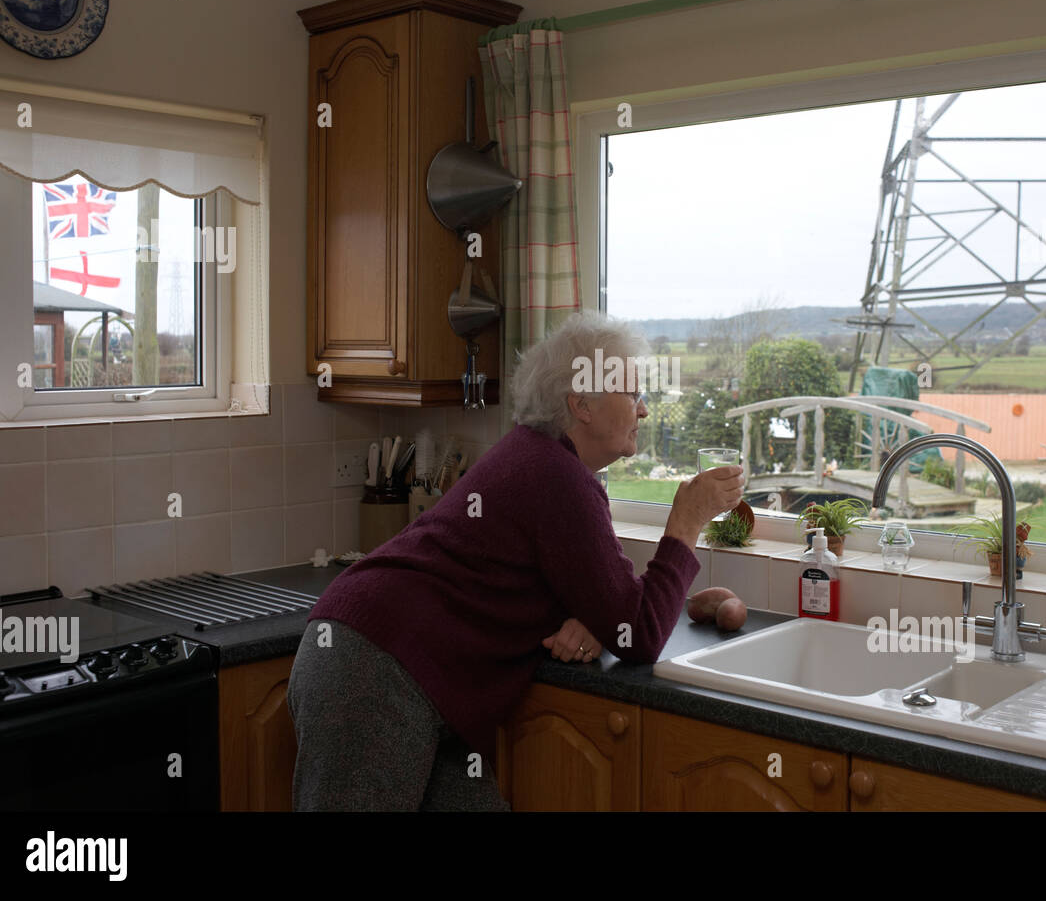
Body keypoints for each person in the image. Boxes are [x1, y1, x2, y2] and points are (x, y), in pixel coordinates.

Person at [287, 311, 743, 810]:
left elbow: (616, 611)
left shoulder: (544, 461)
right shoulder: (558, 477)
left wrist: (595, 616)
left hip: (404, 672)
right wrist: (685, 522)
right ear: (582, 404)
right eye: (633, 394)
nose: (643, 411)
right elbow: (640, 635)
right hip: (374, 670)